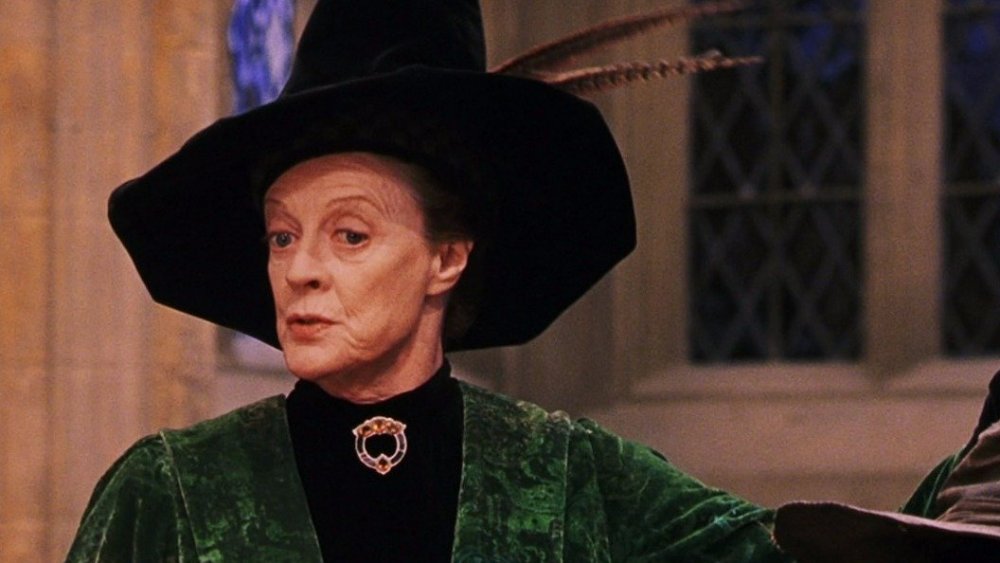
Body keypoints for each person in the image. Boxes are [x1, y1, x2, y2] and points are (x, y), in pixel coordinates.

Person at [61, 1, 947, 561]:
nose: (300, 270)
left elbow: (818, 554)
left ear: (447, 258)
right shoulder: (170, 492)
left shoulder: (570, 475)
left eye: (350, 234)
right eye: (282, 235)